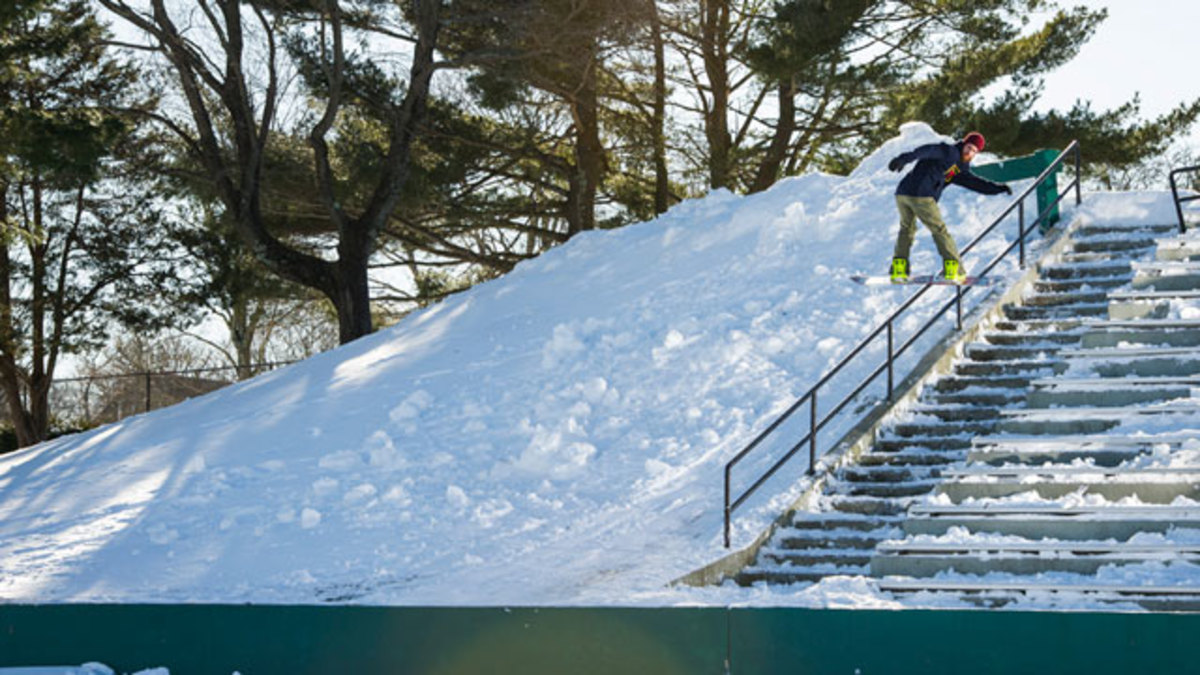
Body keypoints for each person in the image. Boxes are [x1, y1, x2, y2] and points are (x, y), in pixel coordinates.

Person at [886, 131, 1012, 283]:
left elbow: (974, 182)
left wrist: (997, 188)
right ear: (964, 143)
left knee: (907, 228)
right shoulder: (948, 151)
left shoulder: (958, 168)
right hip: (920, 195)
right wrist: (903, 159)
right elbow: (926, 150)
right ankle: (954, 269)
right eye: (969, 147)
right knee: (940, 231)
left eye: (974, 151)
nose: (970, 152)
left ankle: (899, 268)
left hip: (904, 193)